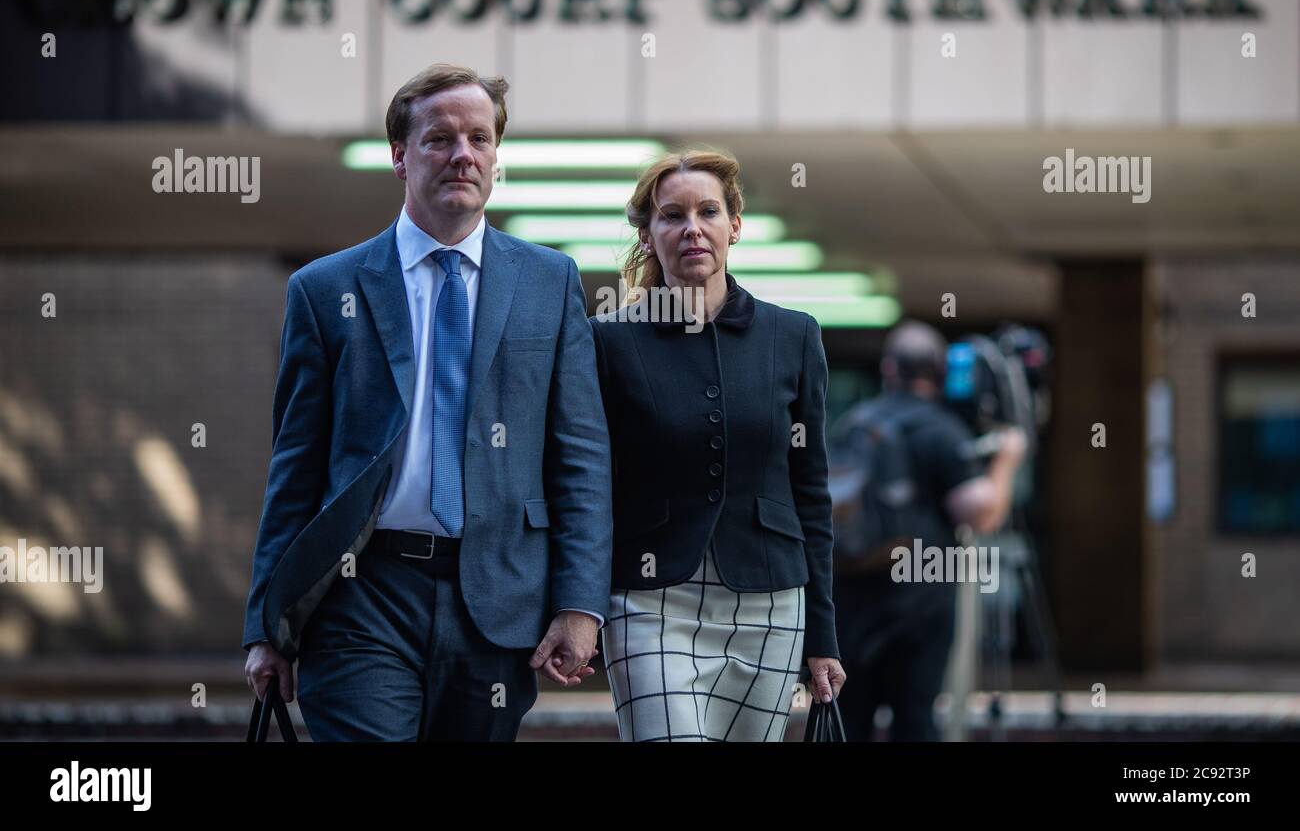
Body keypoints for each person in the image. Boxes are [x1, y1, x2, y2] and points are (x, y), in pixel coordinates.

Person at [241, 62, 612, 741]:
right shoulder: (326, 290)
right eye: (439, 139)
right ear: (399, 156)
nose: (462, 154)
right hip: (360, 593)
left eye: (479, 138)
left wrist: (580, 603)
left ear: (497, 157)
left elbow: (581, 457)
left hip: (499, 596)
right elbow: (294, 468)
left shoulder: (549, 281)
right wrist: (267, 625)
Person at [590, 149, 845, 742]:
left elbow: (811, 490)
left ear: (734, 225)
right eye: (671, 215)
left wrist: (824, 635)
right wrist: (575, 605)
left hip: (773, 602)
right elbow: (586, 483)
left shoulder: (793, 335)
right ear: (648, 236)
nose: (691, 228)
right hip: (648, 602)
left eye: (708, 211)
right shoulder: (609, 341)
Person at [832, 320, 1026, 741]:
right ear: (939, 374)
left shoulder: (854, 424)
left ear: (888, 370)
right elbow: (981, 512)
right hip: (921, 603)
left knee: (851, 720)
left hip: (851, 600)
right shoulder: (942, 431)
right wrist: (1007, 460)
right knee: (915, 717)